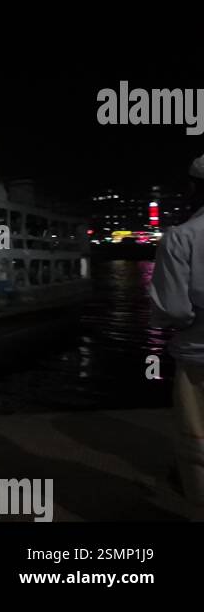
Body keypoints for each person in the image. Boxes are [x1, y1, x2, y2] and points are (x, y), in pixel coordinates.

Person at [149, 154, 204, 507]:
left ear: (195, 188)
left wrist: (189, 321)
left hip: (199, 358)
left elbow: (173, 309)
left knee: (198, 448)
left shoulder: (180, 237)